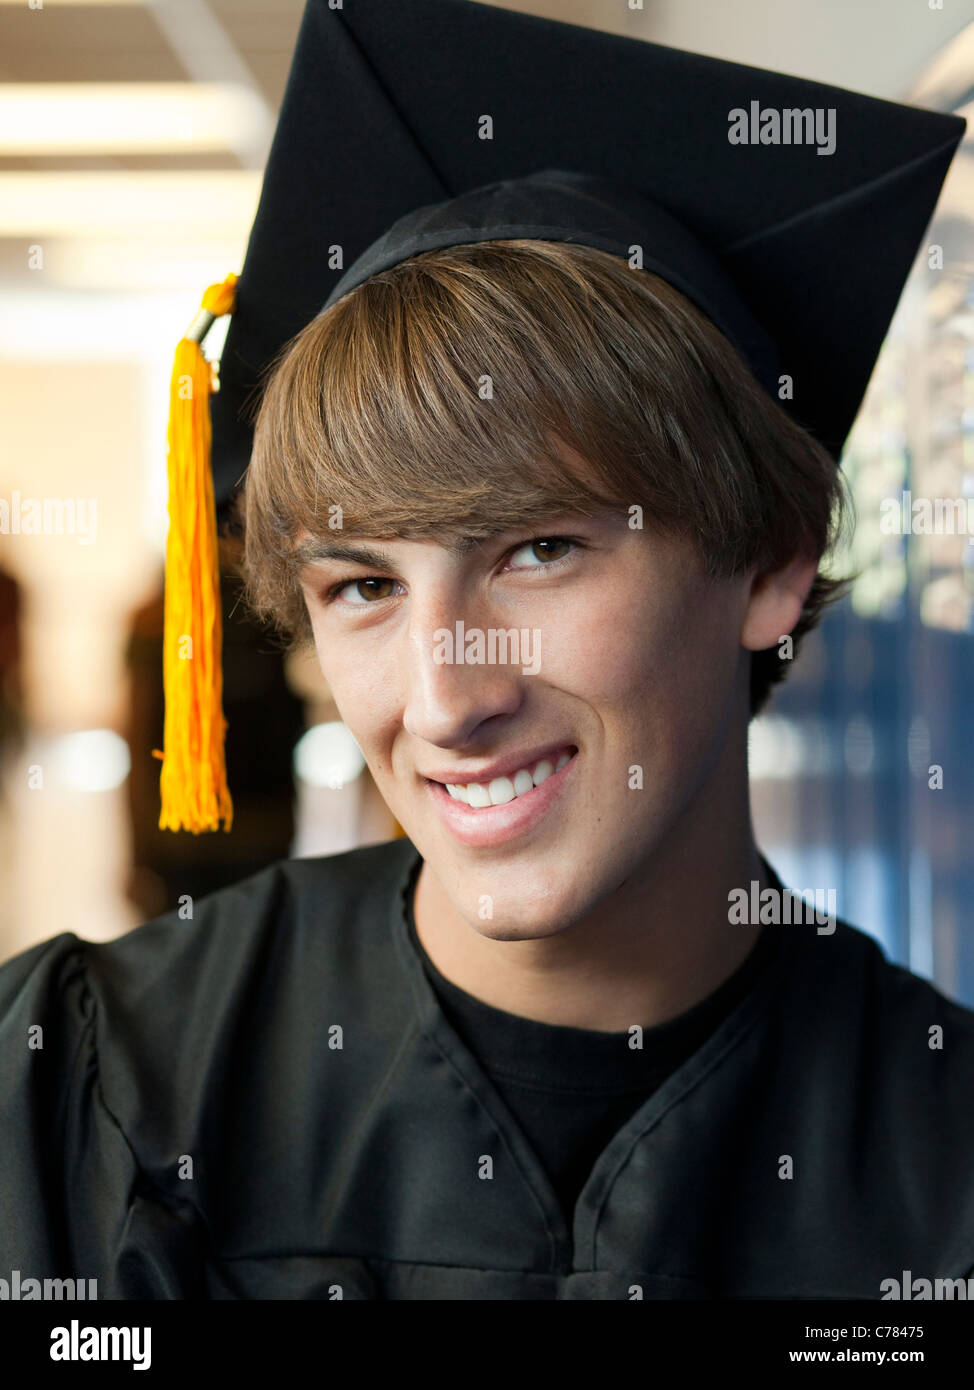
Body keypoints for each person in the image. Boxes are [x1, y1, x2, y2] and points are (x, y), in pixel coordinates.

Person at [1, 0, 972, 1301]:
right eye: (360, 584)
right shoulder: (85, 1083)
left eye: (537, 551)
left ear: (770, 559)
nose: (444, 696)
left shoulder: (942, 1153)